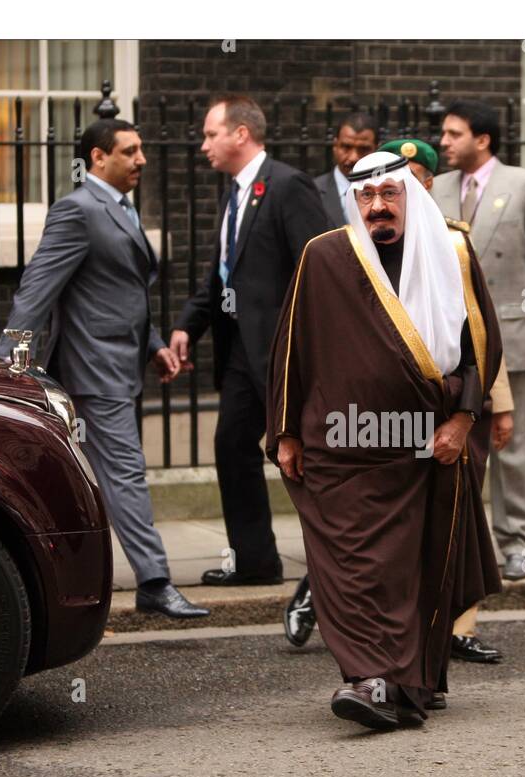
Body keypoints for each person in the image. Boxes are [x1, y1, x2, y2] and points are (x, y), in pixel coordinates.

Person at [267, 149, 502, 728]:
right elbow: (292, 349)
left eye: (388, 195)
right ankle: (371, 682)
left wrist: (463, 420)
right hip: (341, 444)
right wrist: (286, 432)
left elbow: (484, 349)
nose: (377, 207)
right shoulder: (323, 257)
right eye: (366, 196)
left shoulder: (453, 251)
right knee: (351, 566)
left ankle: (411, 683)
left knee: (413, 569)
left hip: (426, 445)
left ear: (410, 197)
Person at [0, 118, 207, 620]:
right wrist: (11, 358)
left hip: (119, 361)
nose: (141, 160)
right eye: (130, 151)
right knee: (127, 474)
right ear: (97, 157)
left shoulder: (119, 207)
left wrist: (154, 344)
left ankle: (60, 580)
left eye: (141, 150)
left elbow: (124, 291)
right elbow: (37, 288)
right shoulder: (78, 211)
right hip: (95, 369)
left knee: (84, 480)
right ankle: (154, 581)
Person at [172, 96, 327, 587]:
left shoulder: (286, 185)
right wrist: (186, 326)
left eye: (211, 134)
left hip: (282, 353)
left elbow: (318, 269)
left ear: (241, 134)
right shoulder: (235, 193)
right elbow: (222, 277)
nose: (204, 146)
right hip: (240, 350)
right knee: (232, 446)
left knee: (309, 458)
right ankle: (256, 561)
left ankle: (334, 570)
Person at [433, 99, 525, 581]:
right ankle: (459, 542)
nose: (443, 142)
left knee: (512, 443)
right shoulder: (437, 188)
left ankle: (518, 543)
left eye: (453, 134)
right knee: (457, 443)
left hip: (513, 335)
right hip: (452, 342)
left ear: (483, 139)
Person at [314, 113, 378, 229]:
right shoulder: (313, 192)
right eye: (346, 147)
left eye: (363, 149)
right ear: (335, 146)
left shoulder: (388, 193)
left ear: (376, 149)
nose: (354, 157)